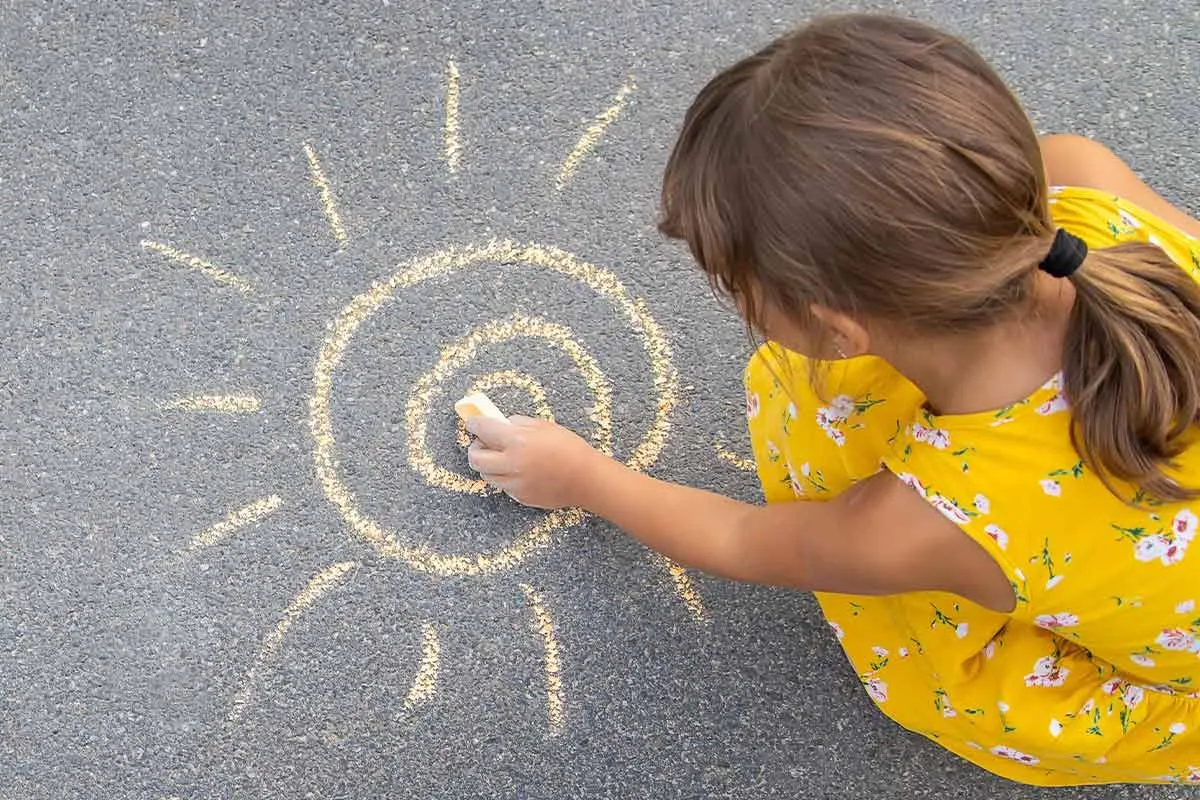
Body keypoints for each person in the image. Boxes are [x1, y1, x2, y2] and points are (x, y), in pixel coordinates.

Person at [464, 12, 1200, 786]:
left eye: (738, 290)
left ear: (837, 327)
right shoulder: (1086, 187)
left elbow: (748, 540)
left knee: (947, 673)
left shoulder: (935, 520)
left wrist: (584, 479)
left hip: (1151, 672)